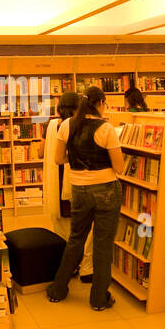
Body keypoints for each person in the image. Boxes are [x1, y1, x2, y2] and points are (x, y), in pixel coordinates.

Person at [46, 86, 126, 310]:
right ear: (100, 103)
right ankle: (99, 299)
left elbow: (59, 160)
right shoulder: (107, 128)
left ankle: (58, 290)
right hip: (107, 190)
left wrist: (80, 161)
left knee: (76, 240)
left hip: (79, 190)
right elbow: (119, 168)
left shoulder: (66, 125)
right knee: (102, 245)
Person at [41, 91, 93, 281]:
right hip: (75, 181)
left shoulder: (50, 125)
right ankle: (84, 267)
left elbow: (40, 151)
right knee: (82, 229)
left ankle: (66, 266)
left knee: (61, 229)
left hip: (55, 185)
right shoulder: (79, 125)